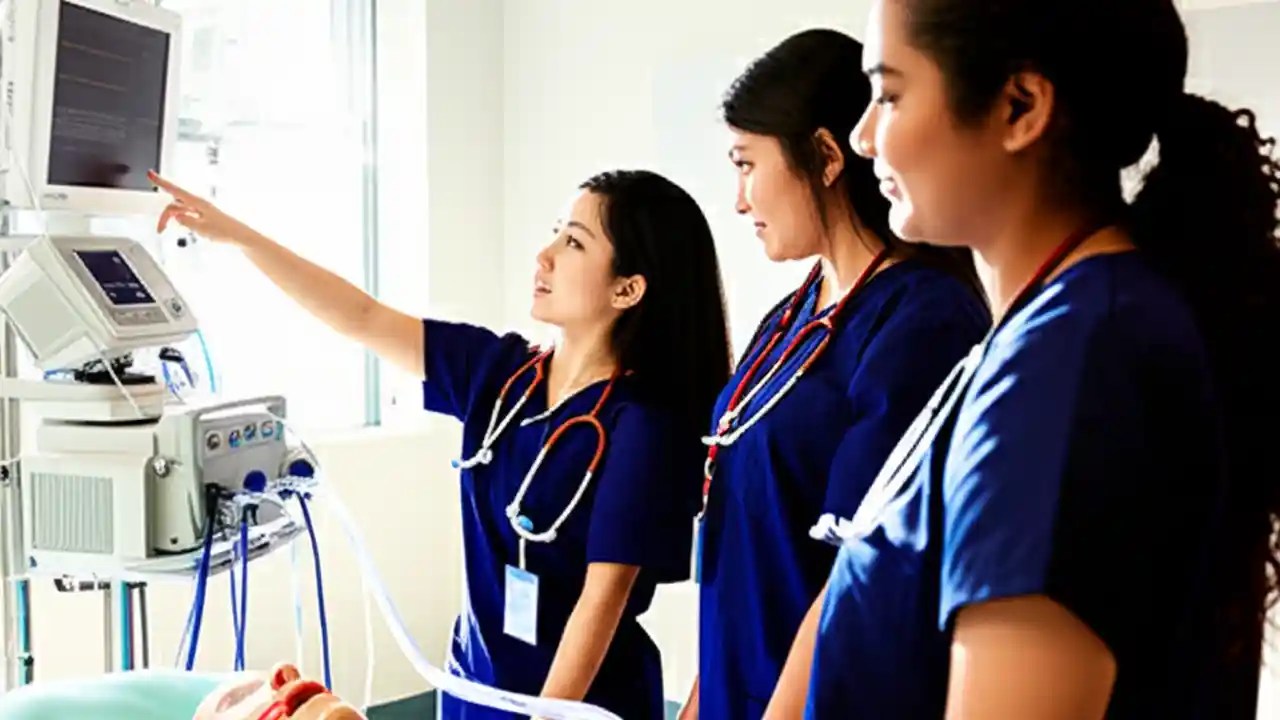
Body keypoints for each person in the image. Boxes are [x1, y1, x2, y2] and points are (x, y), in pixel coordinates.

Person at [788, 1, 1280, 718]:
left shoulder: (1072, 362)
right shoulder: (1043, 339)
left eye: (890, 94)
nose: (864, 137)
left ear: (1020, 106)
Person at [149, 168, 733, 720]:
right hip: (474, 685)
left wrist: (545, 718)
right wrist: (236, 235)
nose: (545, 254)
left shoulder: (643, 428)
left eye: (574, 243)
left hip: (573, 702)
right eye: (555, 231)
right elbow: (360, 315)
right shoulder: (500, 373)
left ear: (628, 289)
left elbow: (601, 601)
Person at [679, 29, 989, 720]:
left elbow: (856, 573)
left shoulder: (923, 323)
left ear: (824, 156)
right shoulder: (789, 319)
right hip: (739, 688)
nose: (737, 199)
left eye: (746, 165)